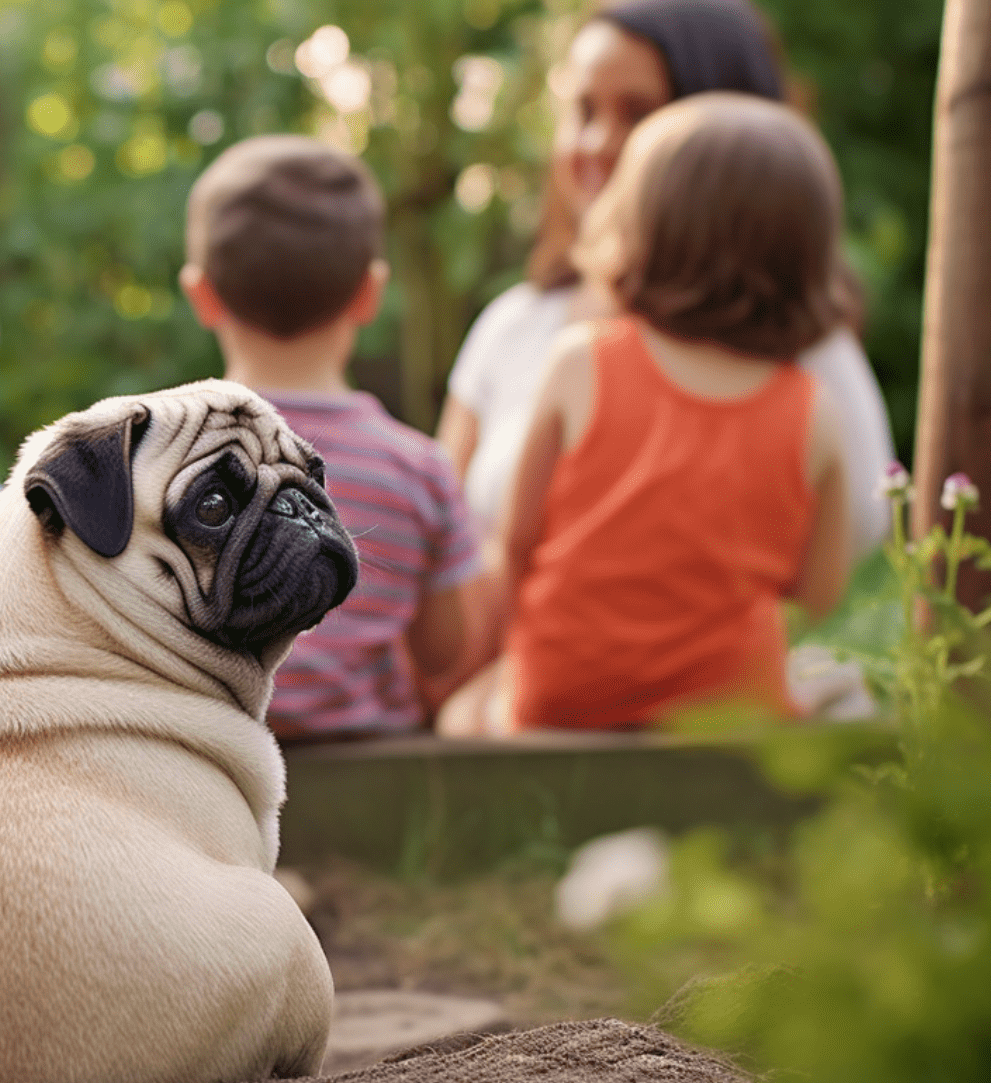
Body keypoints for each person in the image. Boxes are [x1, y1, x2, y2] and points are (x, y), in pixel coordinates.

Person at [440, 93, 850, 735]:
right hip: (731, 710)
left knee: (459, 719)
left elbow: (512, 545)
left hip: (560, 698)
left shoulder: (582, 362)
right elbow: (820, 595)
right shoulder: (815, 410)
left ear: (640, 231)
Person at [435, 0, 893, 564]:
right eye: (583, 110)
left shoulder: (802, 350)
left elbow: (851, 551)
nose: (598, 143)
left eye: (638, 112)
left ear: (731, 136)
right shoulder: (516, 323)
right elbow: (441, 556)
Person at [180, 135, 490, 741]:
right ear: (370, 292)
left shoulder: (167, 460)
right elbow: (447, 654)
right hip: (375, 793)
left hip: (205, 778)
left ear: (202, 295)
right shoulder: (417, 467)